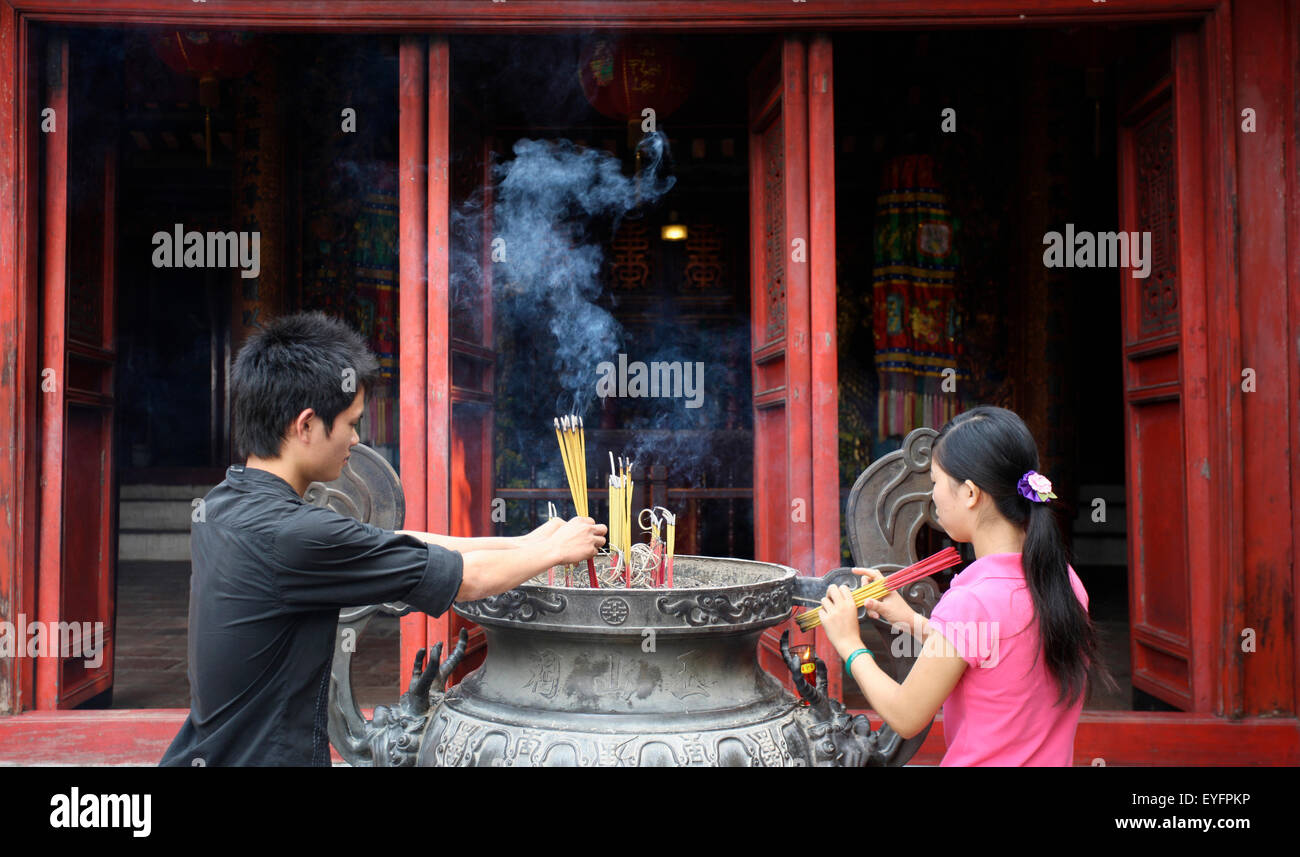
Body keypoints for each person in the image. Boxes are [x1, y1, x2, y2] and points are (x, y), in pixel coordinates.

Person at [160, 312, 605, 766]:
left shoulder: (226, 502)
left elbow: (390, 540)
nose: (357, 438)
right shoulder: (294, 536)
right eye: (351, 423)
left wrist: (525, 543)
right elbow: (466, 580)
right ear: (307, 425)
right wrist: (553, 552)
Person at [818, 405, 1111, 766]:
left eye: (936, 482)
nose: (933, 495)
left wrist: (850, 645)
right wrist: (909, 621)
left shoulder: (971, 601)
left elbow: (906, 715)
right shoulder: (1063, 580)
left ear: (970, 493)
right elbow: (991, 650)